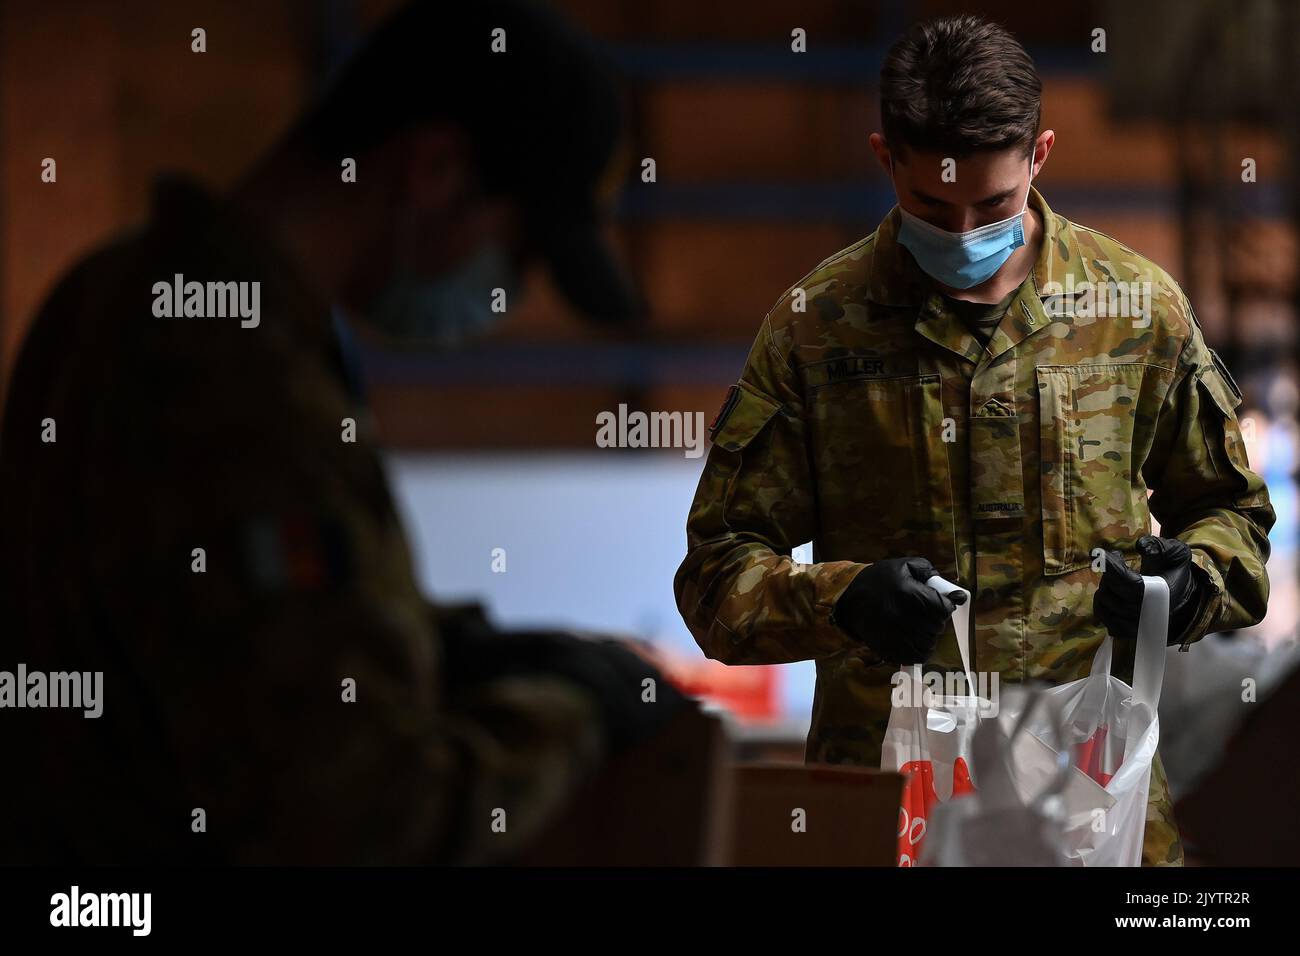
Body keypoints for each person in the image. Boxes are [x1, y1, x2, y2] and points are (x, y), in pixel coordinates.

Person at [0, 0, 686, 864]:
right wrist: (575, 713)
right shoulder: (239, 379)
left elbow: (213, 637)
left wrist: (448, 648)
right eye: (512, 254)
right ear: (435, 171)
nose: (507, 295)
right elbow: (367, 822)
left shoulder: (113, 291)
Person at [673, 14, 1274, 867]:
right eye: (931, 205)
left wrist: (1193, 580)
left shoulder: (1134, 312)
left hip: (1093, 799)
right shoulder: (818, 328)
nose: (963, 234)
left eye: (993, 205)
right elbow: (715, 577)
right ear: (886, 160)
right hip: (888, 804)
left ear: (1041, 155)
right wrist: (842, 601)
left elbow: (1234, 521)